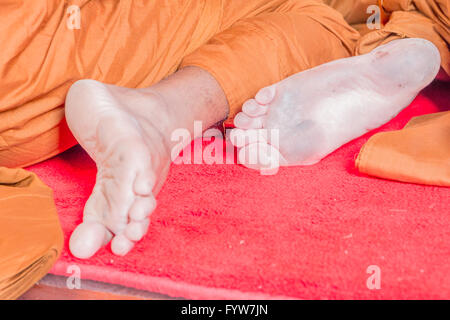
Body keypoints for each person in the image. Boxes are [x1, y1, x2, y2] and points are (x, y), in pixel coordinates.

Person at [0, 0, 447, 260]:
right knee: (318, 12)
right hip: (31, 59)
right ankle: (400, 40)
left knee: (318, 15)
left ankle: (157, 115)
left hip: (24, 101)